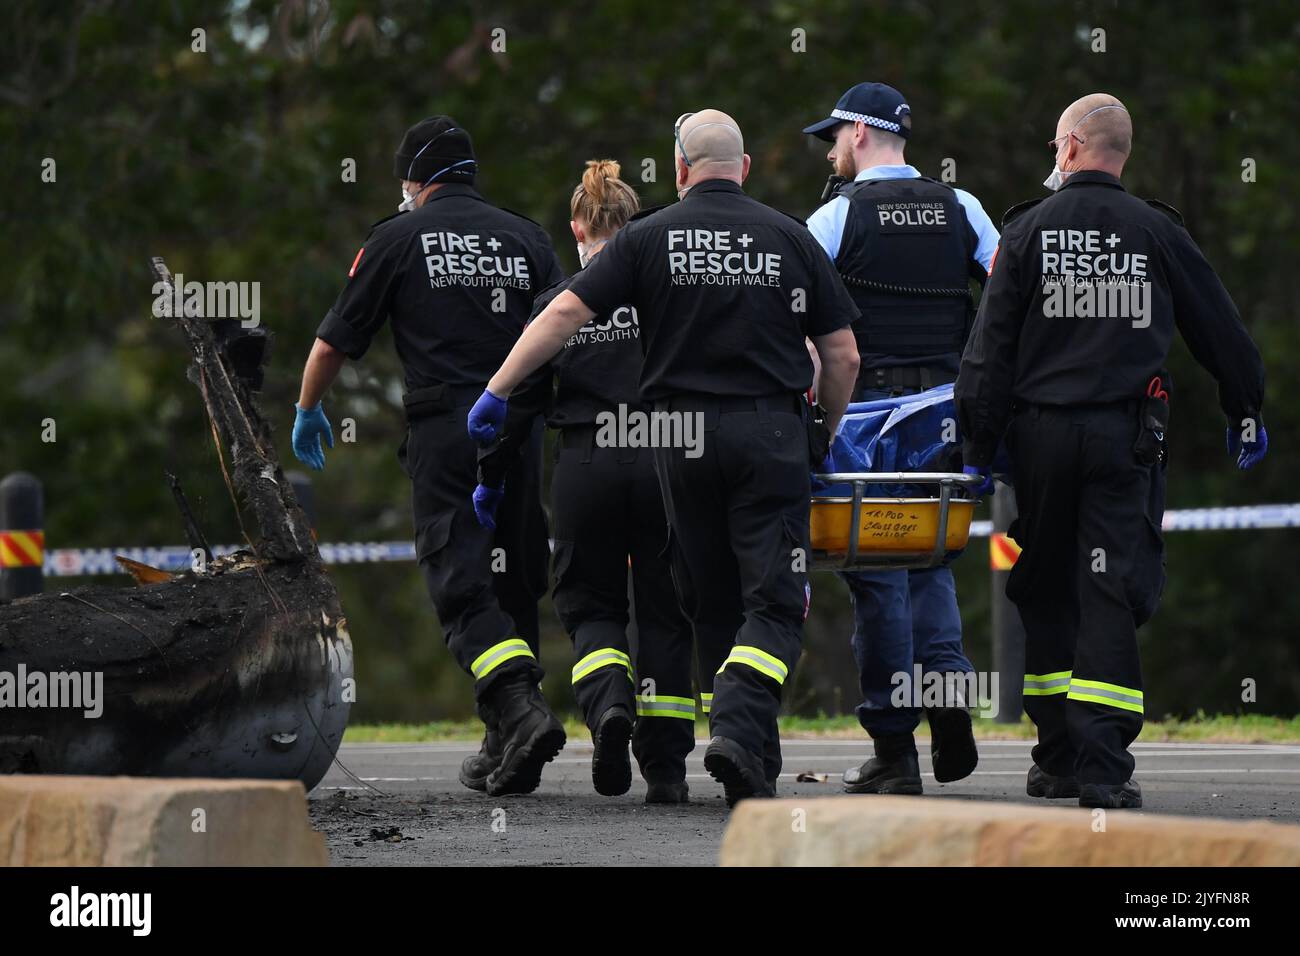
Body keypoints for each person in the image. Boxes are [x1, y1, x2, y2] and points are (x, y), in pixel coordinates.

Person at [470, 109, 861, 806]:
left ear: (679, 172)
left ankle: (744, 754)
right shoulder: (791, 236)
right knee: (771, 600)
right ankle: (738, 728)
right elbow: (843, 355)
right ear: (743, 168)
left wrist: (497, 390)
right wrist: (823, 432)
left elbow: (561, 315)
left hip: (678, 442)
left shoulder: (649, 238)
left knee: (707, 600)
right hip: (769, 434)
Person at [956, 93, 1267, 809]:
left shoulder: (1028, 231)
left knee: (1043, 581)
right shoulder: (1156, 230)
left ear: (1067, 149)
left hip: (1040, 440)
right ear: (1119, 153)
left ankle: (1058, 756)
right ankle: (1100, 768)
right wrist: (1244, 408)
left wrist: (977, 446)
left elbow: (989, 350)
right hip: (1125, 440)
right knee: (1108, 586)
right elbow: (1220, 329)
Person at [291, 116, 567, 796]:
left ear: (415, 180)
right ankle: (507, 736)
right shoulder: (526, 235)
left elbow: (333, 343)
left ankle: (519, 709)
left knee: (459, 576)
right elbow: (570, 328)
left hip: (447, 427)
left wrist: (307, 409)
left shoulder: (397, 237)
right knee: (514, 573)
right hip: (519, 424)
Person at [473, 159, 696, 804]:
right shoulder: (664, 301)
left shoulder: (557, 308)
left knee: (590, 604)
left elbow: (517, 406)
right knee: (666, 610)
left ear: (577, 227)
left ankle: (608, 712)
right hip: (661, 458)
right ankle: (667, 769)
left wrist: (490, 480)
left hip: (585, 463)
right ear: (632, 226)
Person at [803, 82, 997, 794]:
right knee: (931, 561)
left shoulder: (833, 216)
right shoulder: (963, 206)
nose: (831, 151)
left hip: (860, 417)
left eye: (833, 138)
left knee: (878, 573)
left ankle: (895, 750)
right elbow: (1010, 300)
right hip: (942, 411)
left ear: (859, 133)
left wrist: (812, 421)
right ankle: (948, 694)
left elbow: (801, 324)